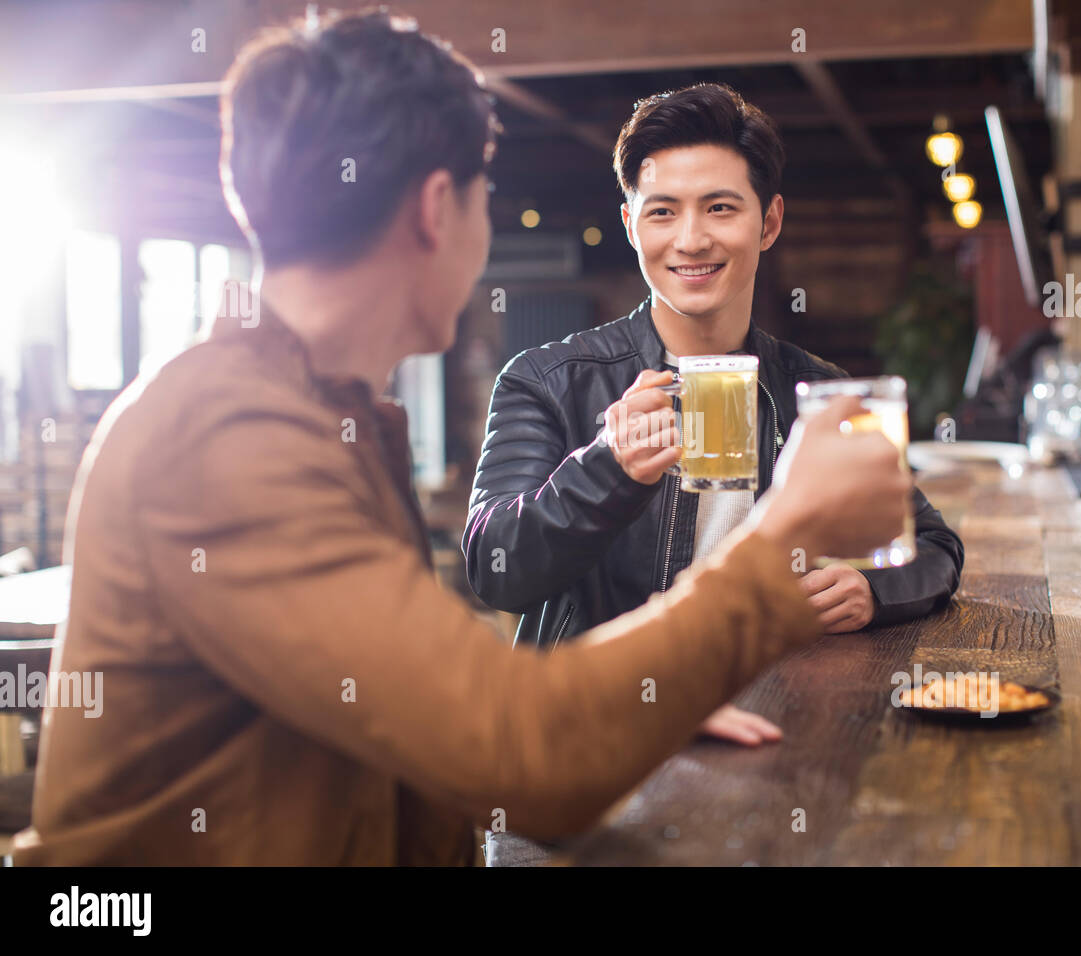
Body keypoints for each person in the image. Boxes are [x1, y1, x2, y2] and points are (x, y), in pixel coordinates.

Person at [13, 10, 910, 866]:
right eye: (486, 197)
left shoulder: (318, 411)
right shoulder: (224, 438)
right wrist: (785, 534)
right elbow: (526, 755)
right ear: (438, 209)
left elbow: (430, 704)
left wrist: (647, 697)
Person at [463, 83, 964, 745]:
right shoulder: (548, 380)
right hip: (595, 732)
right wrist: (607, 471)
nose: (691, 240)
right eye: (663, 212)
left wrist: (875, 591)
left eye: (720, 208)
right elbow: (494, 567)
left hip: (777, 721)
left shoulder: (818, 392)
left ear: (769, 221)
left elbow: (932, 547)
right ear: (630, 225)